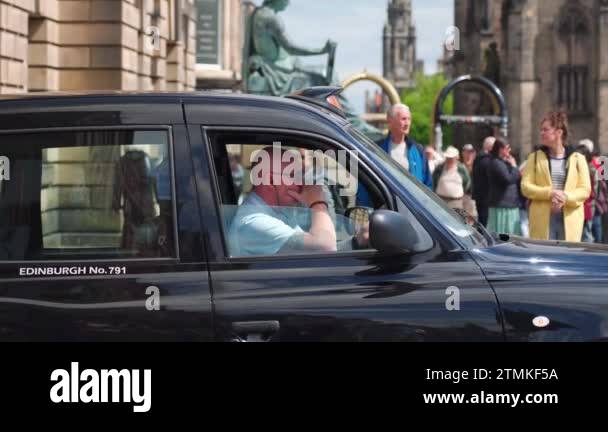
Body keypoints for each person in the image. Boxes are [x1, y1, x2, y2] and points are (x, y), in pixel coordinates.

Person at [229, 146, 367, 257]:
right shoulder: (254, 222)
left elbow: (315, 252)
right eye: (293, 176)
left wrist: (358, 241)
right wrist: (318, 203)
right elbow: (326, 248)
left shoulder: (277, 211)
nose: (302, 184)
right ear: (270, 181)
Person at [521, 112, 591, 242]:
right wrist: (550, 193)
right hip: (542, 220)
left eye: (546, 129)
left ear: (559, 132)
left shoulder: (578, 159)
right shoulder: (534, 158)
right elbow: (526, 187)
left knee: (568, 259)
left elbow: (585, 189)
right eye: (541, 130)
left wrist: (565, 197)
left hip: (570, 219)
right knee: (543, 258)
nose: (542, 133)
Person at [356, 103, 432, 207]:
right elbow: (365, 183)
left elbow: (427, 184)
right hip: (385, 210)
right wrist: (363, 210)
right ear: (390, 121)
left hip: (414, 212)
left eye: (409, 119)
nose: (407, 123)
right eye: (403, 119)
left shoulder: (418, 150)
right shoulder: (376, 150)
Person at [486, 139, 522, 235]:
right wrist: (514, 166)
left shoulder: (501, 162)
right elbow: (508, 179)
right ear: (501, 149)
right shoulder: (496, 162)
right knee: (503, 235)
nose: (509, 150)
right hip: (502, 205)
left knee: (510, 234)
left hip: (508, 204)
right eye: (507, 148)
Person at [432, 146, 471, 210]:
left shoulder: (461, 169)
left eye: (451, 158)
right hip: (440, 200)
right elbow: (434, 181)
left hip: (456, 202)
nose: (449, 160)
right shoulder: (439, 168)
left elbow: (467, 182)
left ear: (456, 158)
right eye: (448, 158)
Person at [472, 136, 496, 227]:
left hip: (480, 196)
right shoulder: (487, 160)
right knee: (485, 223)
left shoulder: (478, 158)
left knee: (482, 221)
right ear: (491, 147)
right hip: (486, 196)